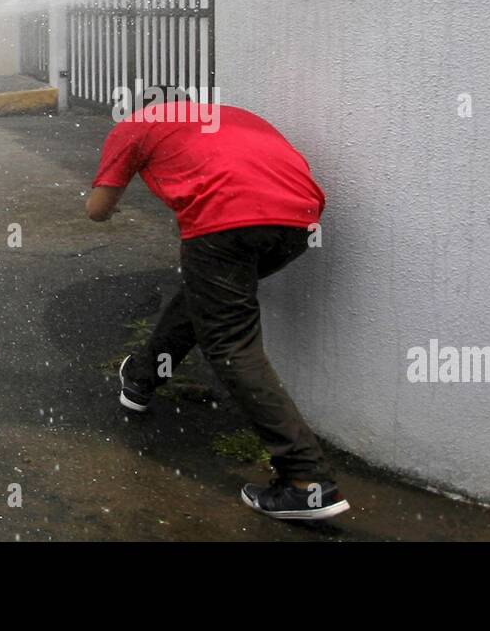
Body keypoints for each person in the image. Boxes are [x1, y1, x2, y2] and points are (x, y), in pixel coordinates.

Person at [86, 85, 348, 521]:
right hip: (299, 222)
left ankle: (307, 481)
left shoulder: (132, 127)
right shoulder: (232, 115)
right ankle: (142, 377)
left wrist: (114, 203)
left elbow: (97, 210)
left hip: (224, 220)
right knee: (206, 298)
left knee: (230, 344)